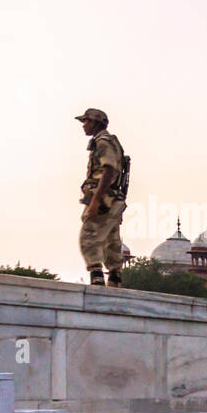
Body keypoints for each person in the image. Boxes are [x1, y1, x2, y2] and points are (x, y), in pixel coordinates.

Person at [76, 108, 128, 286]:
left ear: (95, 122)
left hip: (105, 198)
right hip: (115, 199)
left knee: (88, 237)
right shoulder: (110, 141)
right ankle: (115, 277)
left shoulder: (103, 141)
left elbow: (109, 170)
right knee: (111, 240)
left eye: (86, 121)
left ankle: (96, 275)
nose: (84, 125)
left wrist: (96, 200)